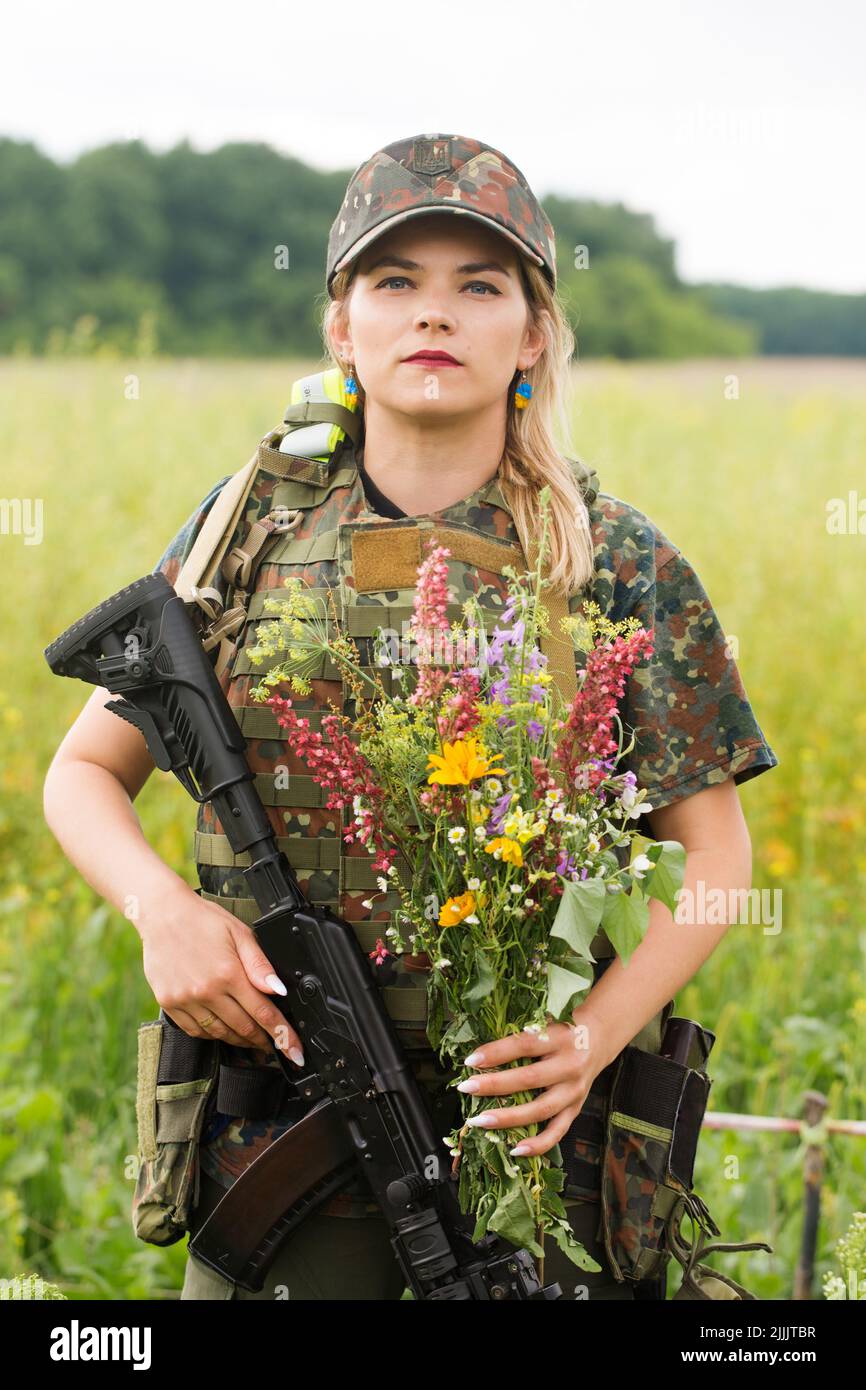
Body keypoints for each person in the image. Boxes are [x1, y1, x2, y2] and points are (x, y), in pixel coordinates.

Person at [43, 133, 778, 1302]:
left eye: (478, 286)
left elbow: (718, 856)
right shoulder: (242, 533)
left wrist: (590, 1036)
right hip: (272, 1131)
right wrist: (164, 915)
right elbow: (80, 774)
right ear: (342, 326)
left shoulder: (606, 559)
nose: (433, 314)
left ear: (531, 332)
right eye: (395, 282)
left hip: (531, 1158)